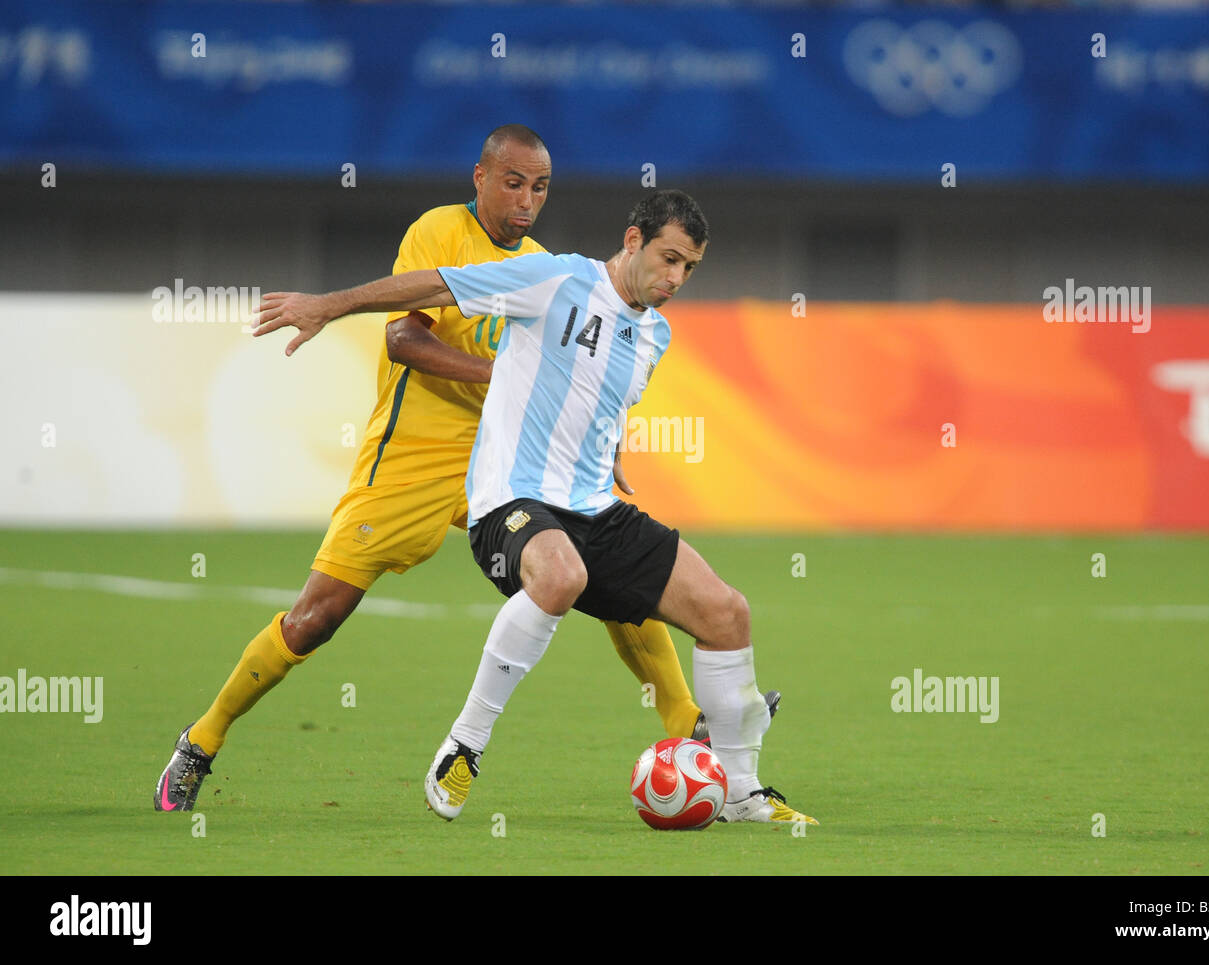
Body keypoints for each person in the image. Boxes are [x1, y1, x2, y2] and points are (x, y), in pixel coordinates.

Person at [154, 127, 770, 813]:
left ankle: (688, 723)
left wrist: (595, 440)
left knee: (600, 570)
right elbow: (403, 336)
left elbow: (579, 380)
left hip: (506, 459)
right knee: (315, 618)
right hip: (413, 454)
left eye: (540, 188)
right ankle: (202, 739)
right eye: (513, 182)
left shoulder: (547, 264)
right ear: (480, 176)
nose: (526, 201)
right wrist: (341, 309)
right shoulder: (441, 231)